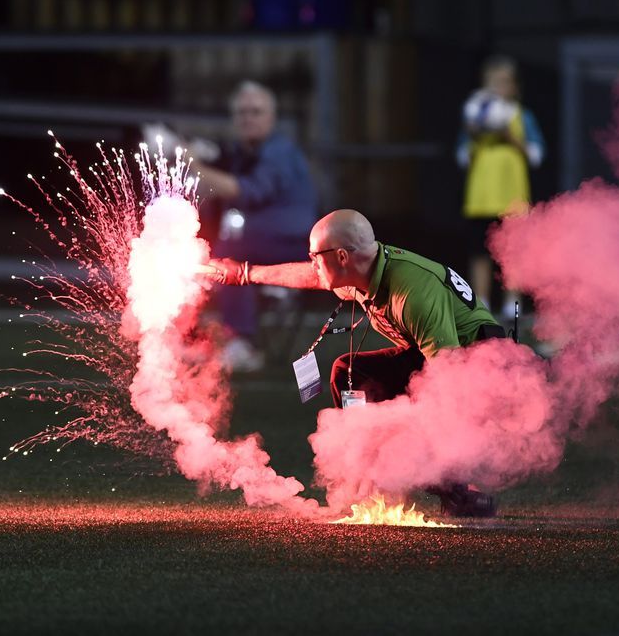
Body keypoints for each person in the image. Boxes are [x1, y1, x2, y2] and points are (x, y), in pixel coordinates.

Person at [208, 209, 506, 516]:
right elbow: (311, 276)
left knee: (422, 408)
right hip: (442, 361)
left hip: (483, 373)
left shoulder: (412, 292)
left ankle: (458, 491)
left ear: (341, 257)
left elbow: (450, 379)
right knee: (350, 372)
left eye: (315, 255)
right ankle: (370, 474)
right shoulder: (363, 268)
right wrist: (243, 273)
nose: (312, 263)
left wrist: (418, 446)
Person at [151, 80, 318, 372]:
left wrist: (192, 164)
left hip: (291, 246)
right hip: (262, 241)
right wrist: (188, 150)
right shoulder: (247, 151)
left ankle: (242, 343)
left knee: (228, 256)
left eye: (256, 111)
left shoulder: (279, 152)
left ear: (271, 117)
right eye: (242, 112)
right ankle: (190, 337)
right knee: (196, 249)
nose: (248, 118)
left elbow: (244, 191)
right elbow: (222, 161)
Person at [456, 55, 545, 320]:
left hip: (512, 197)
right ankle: (481, 303)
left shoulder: (522, 116)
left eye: (504, 82)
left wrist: (509, 137)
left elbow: (537, 156)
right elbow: (462, 156)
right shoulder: (474, 116)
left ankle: (512, 303)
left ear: (515, 86)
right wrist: (473, 134)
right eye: (493, 82)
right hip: (481, 198)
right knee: (479, 252)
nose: (498, 88)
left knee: (513, 252)